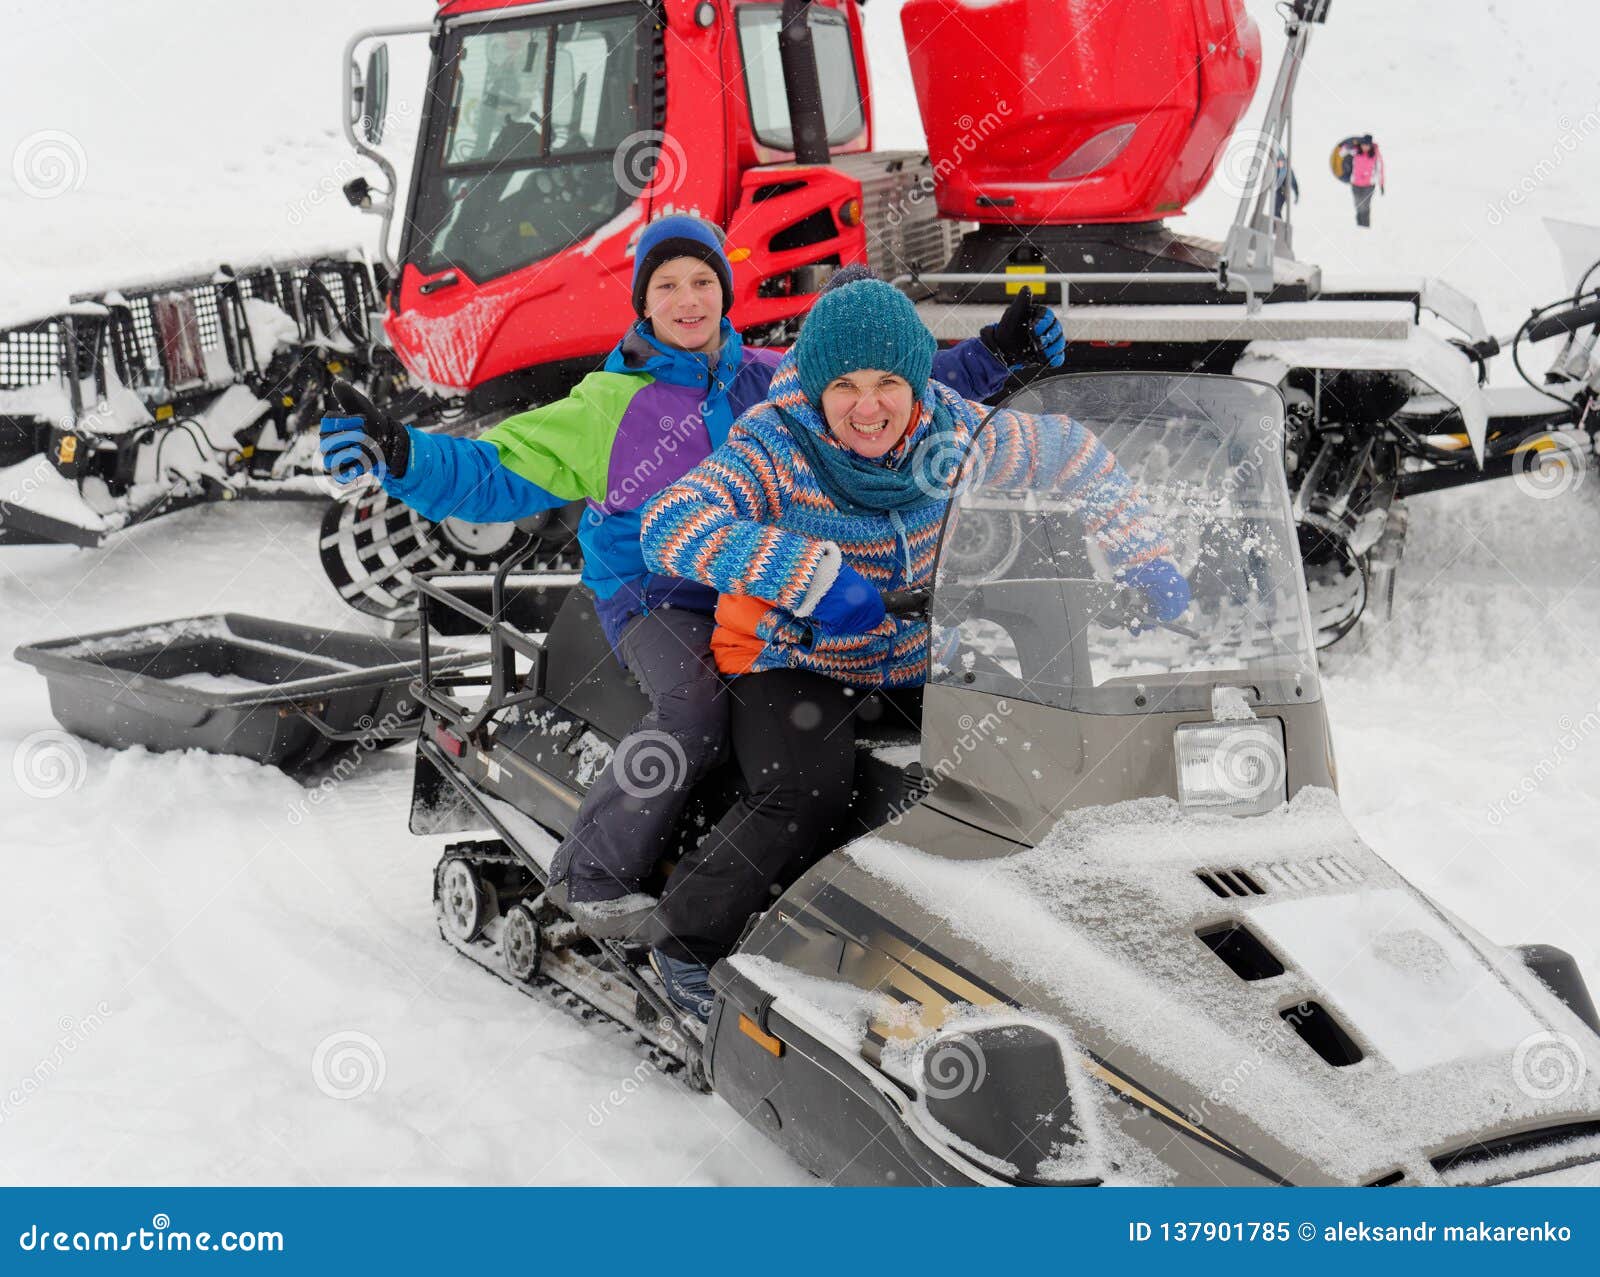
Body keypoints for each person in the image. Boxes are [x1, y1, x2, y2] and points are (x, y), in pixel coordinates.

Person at [319, 215, 1066, 941]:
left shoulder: (772, 378)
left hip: (766, 586)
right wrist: (398, 450)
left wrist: (997, 353)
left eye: (702, 280)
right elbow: (494, 470)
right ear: (643, 301)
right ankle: (592, 875)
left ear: (725, 293)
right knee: (697, 708)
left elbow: (884, 384)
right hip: (656, 597)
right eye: (667, 284)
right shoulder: (606, 407)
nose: (687, 300)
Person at [638, 279, 1185, 1018]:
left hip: (910, 652)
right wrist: (811, 576)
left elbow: (1073, 453)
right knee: (805, 793)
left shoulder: (957, 432)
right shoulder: (775, 441)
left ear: (917, 382)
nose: (868, 408)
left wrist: (1143, 552)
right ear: (816, 385)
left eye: (889, 382)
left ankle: (1039, 936)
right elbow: (670, 522)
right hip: (791, 656)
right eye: (846, 386)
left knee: (1033, 748)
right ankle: (686, 943)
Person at [1349, 135, 1384, 228]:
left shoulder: (1375, 155)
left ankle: (1365, 225)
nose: (1365, 147)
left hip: (1368, 185)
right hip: (1355, 184)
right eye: (1363, 144)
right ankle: (1358, 225)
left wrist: (1381, 184)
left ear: (1370, 145)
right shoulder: (1355, 151)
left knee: (1365, 205)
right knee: (1357, 204)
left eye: (1367, 145)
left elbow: (1380, 169)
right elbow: (1342, 152)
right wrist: (1352, 142)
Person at [1272, 152, 1299, 220]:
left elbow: (1294, 183)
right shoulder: (1279, 169)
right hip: (1279, 191)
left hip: (1283, 192)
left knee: (1276, 209)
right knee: (1275, 209)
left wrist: (1296, 195)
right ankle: (1277, 222)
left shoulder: (1288, 170)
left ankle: (1278, 223)